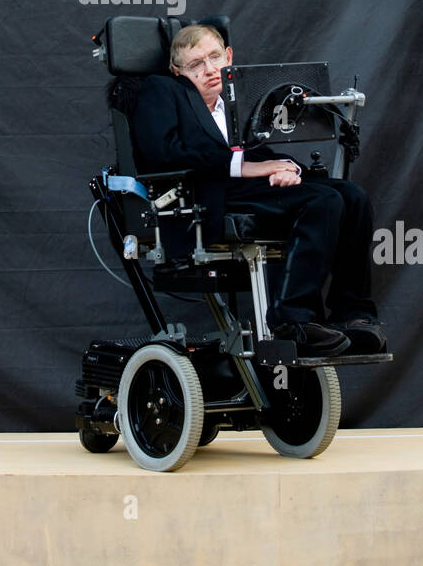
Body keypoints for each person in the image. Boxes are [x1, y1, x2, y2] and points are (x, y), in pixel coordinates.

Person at [130, 24, 385, 358]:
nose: (209, 70)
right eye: (195, 65)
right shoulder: (162, 91)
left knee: (353, 197)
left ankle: (353, 315)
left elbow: (260, 151)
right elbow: (163, 152)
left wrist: (286, 169)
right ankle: (292, 319)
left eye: (215, 57)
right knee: (323, 201)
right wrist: (243, 167)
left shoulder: (235, 101)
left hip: (251, 187)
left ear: (229, 56)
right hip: (205, 197)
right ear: (177, 71)